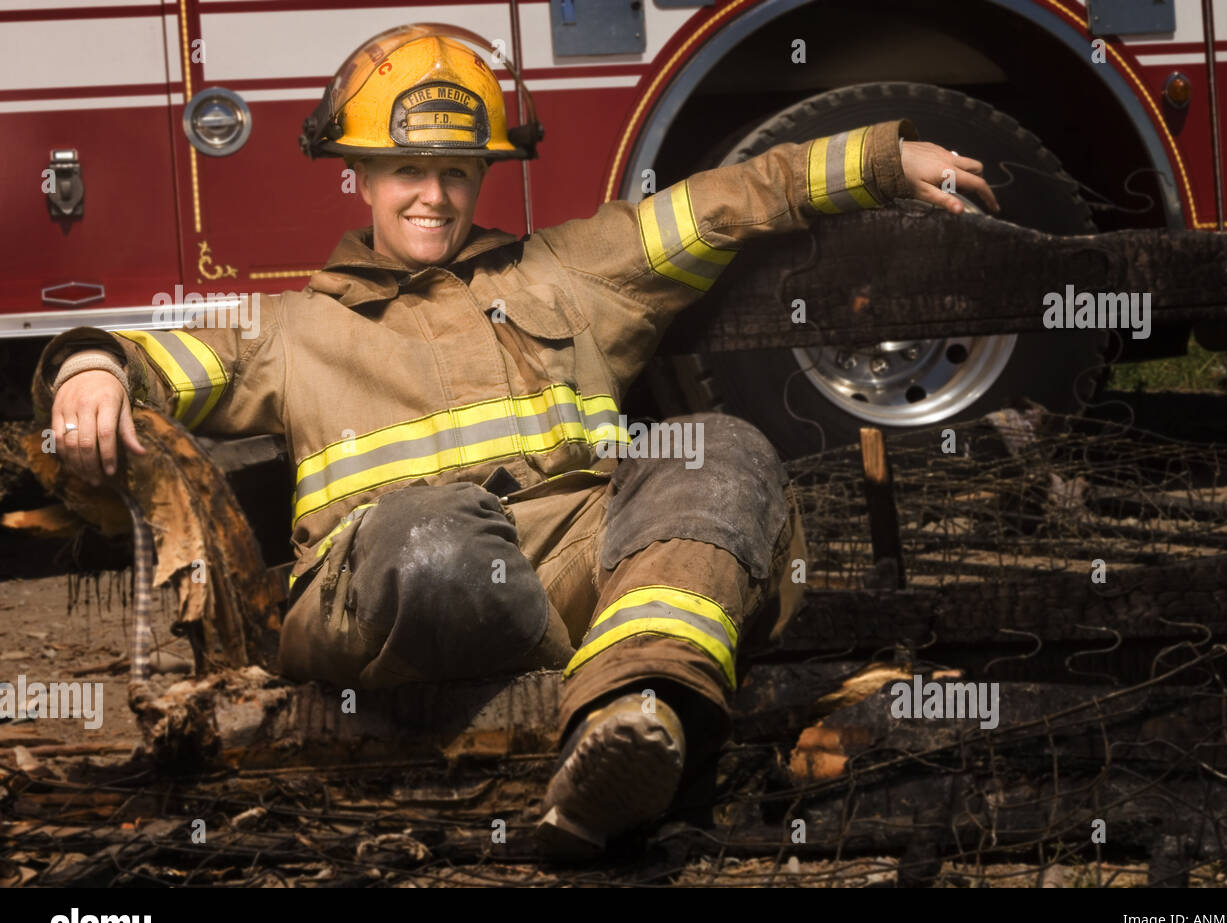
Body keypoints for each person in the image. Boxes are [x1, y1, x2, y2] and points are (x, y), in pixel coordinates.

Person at [32, 25, 998, 860]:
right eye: (407, 169)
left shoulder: (572, 271)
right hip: (386, 590)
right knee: (438, 534)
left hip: (566, 568)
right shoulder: (291, 330)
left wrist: (879, 159)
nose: (433, 197)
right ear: (356, 175)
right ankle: (594, 696)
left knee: (719, 447)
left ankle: (636, 717)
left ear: (484, 174)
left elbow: (724, 201)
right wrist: (88, 369)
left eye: (456, 171)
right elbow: (155, 357)